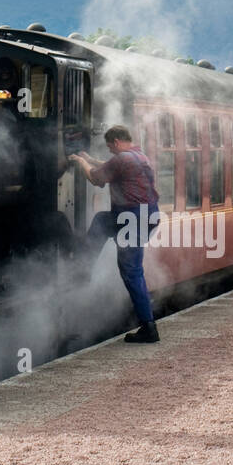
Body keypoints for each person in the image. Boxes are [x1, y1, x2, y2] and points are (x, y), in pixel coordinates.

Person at [69, 125, 161, 343]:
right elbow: (109, 167)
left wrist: (79, 161)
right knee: (102, 220)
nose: (110, 151)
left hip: (132, 218)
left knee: (131, 271)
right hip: (143, 215)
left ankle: (149, 328)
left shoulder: (122, 159)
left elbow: (96, 178)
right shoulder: (138, 156)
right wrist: (90, 158)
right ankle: (84, 269)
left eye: (110, 147)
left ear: (117, 141)